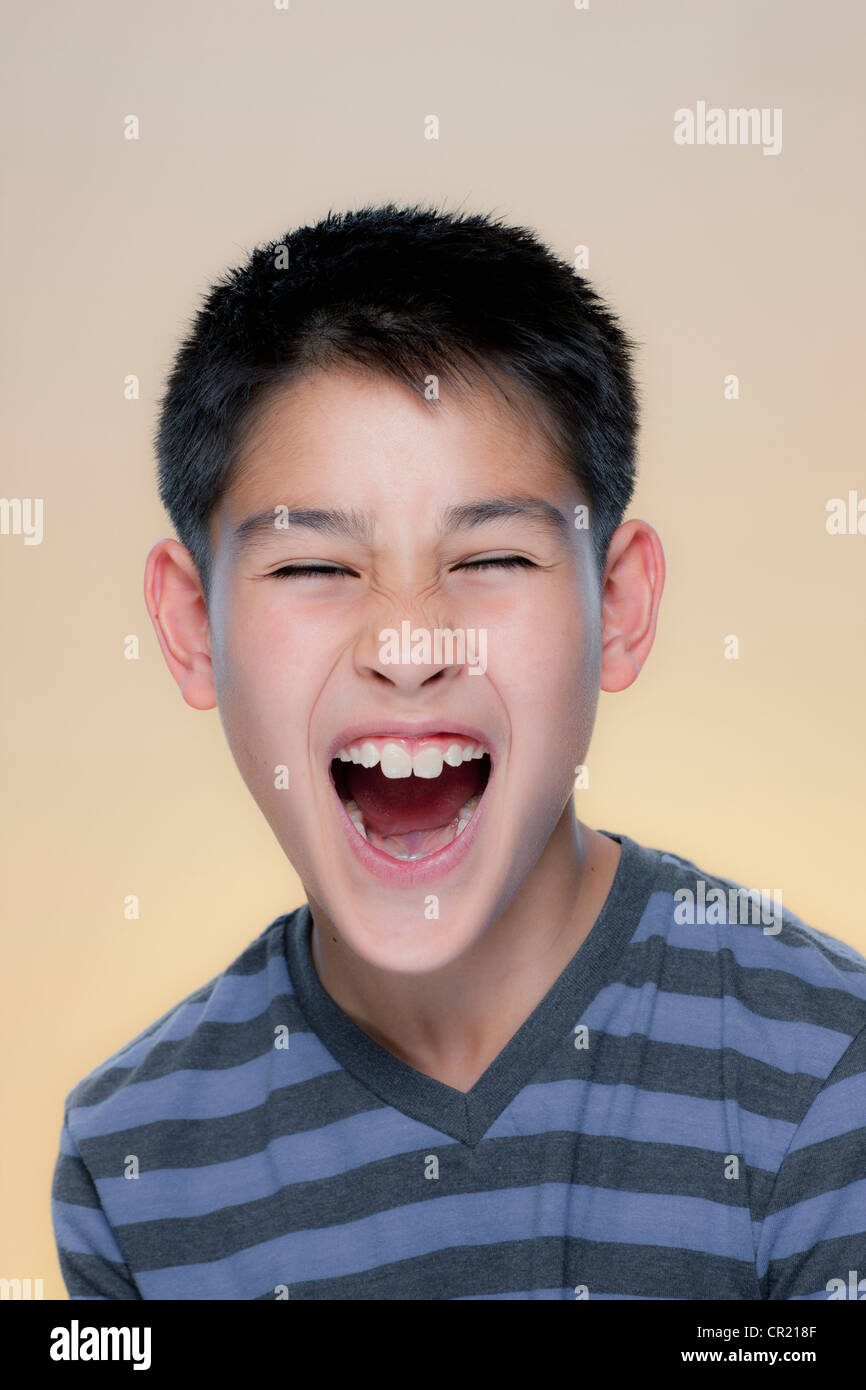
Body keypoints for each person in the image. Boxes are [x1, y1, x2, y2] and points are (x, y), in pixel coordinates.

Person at [52, 203, 866, 1300]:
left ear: (616, 606)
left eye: (489, 556)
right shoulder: (136, 1164)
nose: (406, 643)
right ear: (193, 628)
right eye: (311, 568)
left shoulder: (824, 1075)